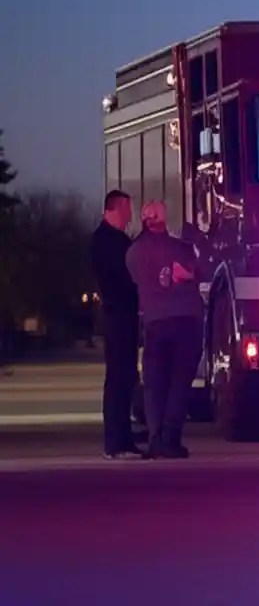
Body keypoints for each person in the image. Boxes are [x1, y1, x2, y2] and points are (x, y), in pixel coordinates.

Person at [126, 201, 203, 459]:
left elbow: (135, 282)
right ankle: (171, 438)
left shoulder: (133, 253)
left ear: (144, 219)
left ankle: (156, 436)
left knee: (154, 384)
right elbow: (201, 270)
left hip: (155, 322)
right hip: (186, 321)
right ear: (163, 218)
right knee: (179, 384)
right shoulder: (182, 249)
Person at [90, 189, 143, 459]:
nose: (129, 216)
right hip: (117, 315)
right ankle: (116, 442)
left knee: (126, 376)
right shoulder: (106, 242)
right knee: (119, 378)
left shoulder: (114, 240)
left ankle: (124, 438)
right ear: (114, 209)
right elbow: (123, 278)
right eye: (126, 210)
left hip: (124, 315)